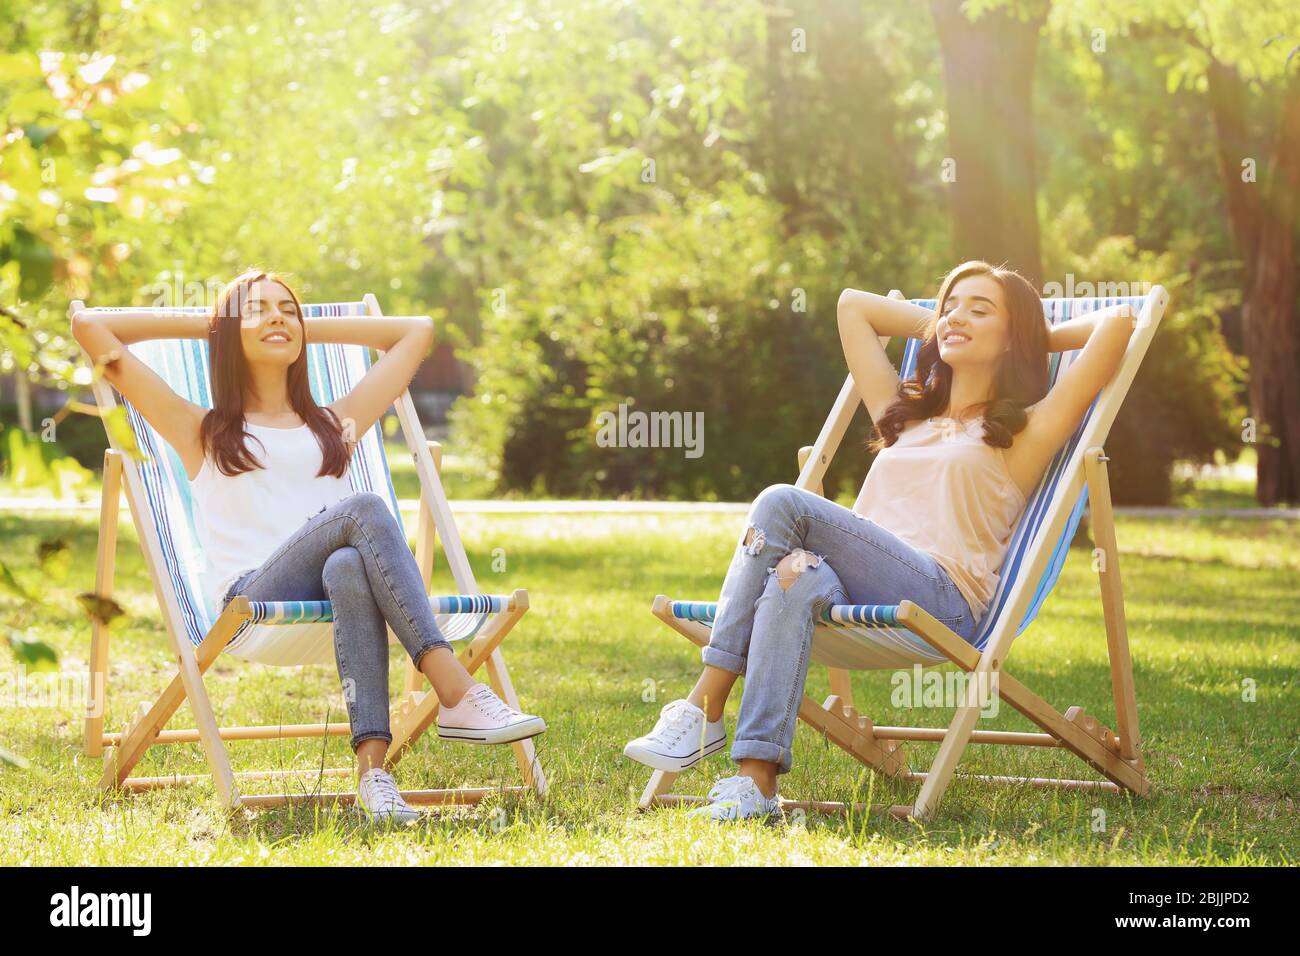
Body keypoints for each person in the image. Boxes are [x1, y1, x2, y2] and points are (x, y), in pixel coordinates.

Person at [623, 260, 1138, 821]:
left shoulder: (1025, 431)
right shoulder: (902, 415)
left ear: (1013, 335)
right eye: (951, 305)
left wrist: (1033, 337)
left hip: (942, 599)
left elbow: (1120, 323)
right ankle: (757, 786)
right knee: (792, 578)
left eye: (979, 309)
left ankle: (706, 704)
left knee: (780, 502)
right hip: (855, 587)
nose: (956, 316)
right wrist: (940, 324)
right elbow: (852, 305)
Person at [72, 269, 546, 824]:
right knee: (365, 508)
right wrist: (219, 325)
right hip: (251, 606)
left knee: (347, 564)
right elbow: (90, 325)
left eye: (289, 310)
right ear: (227, 332)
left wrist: (289, 329)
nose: (278, 316)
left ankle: (374, 776)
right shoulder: (198, 428)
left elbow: (416, 331)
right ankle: (455, 689)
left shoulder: (335, 424)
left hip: (337, 599)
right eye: (259, 309)